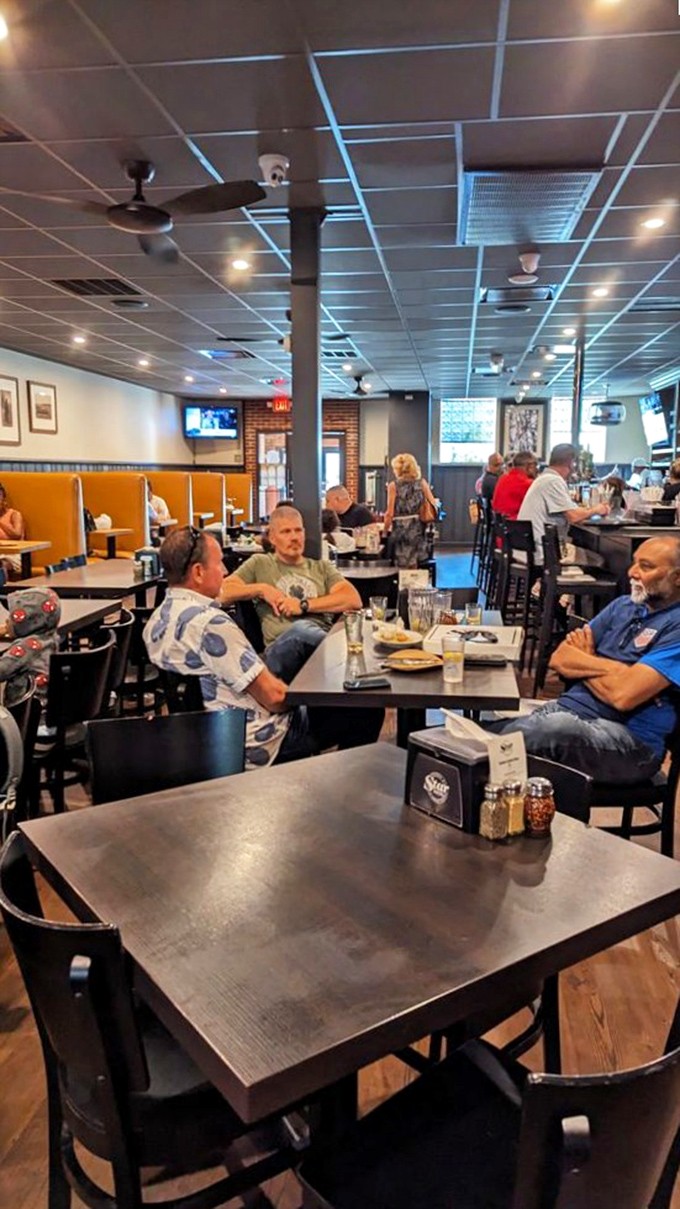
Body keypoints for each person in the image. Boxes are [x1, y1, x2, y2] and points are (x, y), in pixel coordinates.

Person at [144, 527, 381, 768]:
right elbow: (275, 699)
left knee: (300, 636)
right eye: (219, 564)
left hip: (198, 738)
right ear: (198, 572)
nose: (225, 571)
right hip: (251, 742)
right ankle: (345, 788)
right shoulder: (212, 626)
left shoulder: (156, 621)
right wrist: (315, 696)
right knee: (366, 709)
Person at [485, 536, 680, 785]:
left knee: (534, 735)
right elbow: (560, 658)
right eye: (634, 563)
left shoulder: (676, 625)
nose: (632, 572)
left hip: (631, 744)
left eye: (646, 566)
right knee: (476, 736)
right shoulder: (623, 606)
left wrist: (585, 661)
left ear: (678, 577)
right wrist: (618, 671)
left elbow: (623, 696)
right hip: (567, 712)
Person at [219, 505, 362, 682]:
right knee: (300, 631)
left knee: (314, 633)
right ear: (272, 537)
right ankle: (338, 651)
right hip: (280, 654)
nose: (294, 537)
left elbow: (353, 599)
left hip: (318, 652)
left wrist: (303, 605)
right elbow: (222, 592)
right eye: (286, 532)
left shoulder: (320, 567)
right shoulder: (260, 563)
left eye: (297, 530)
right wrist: (261, 589)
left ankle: (337, 655)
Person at [517, 443, 610, 563]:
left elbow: (573, 511)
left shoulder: (543, 478)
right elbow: (574, 516)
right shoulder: (553, 481)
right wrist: (596, 509)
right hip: (542, 552)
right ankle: (548, 581)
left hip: (529, 549)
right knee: (597, 560)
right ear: (571, 463)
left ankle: (543, 581)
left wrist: (586, 512)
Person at [0, 587, 61, 707]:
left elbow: (2, 670)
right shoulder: (50, 638)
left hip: (24, 715)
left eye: (12, 618)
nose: (7, 621)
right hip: (45, 708)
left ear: (26, 622)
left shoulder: (26, 648)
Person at [383, 453, 438, 569]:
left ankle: (402, 583)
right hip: (418, 527)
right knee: (415, 561)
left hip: (400, 529)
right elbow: (433, 504)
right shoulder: (422, 483)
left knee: (401, 561)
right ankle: (415, 583)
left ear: (397, 469)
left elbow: (389, 513)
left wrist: (384, 531)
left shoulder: (393, 486)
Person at [491, 451, 537, 520]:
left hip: (499, 526)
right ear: (529, 467)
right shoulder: (528, 484)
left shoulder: (502, 478)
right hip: (516, 526)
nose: (536, 469)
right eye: (535, 466)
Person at [0, 481, 25, 578]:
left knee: (1, 564)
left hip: (13, 555)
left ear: (3, 498)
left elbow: (17, 535)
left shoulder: (14, 514)